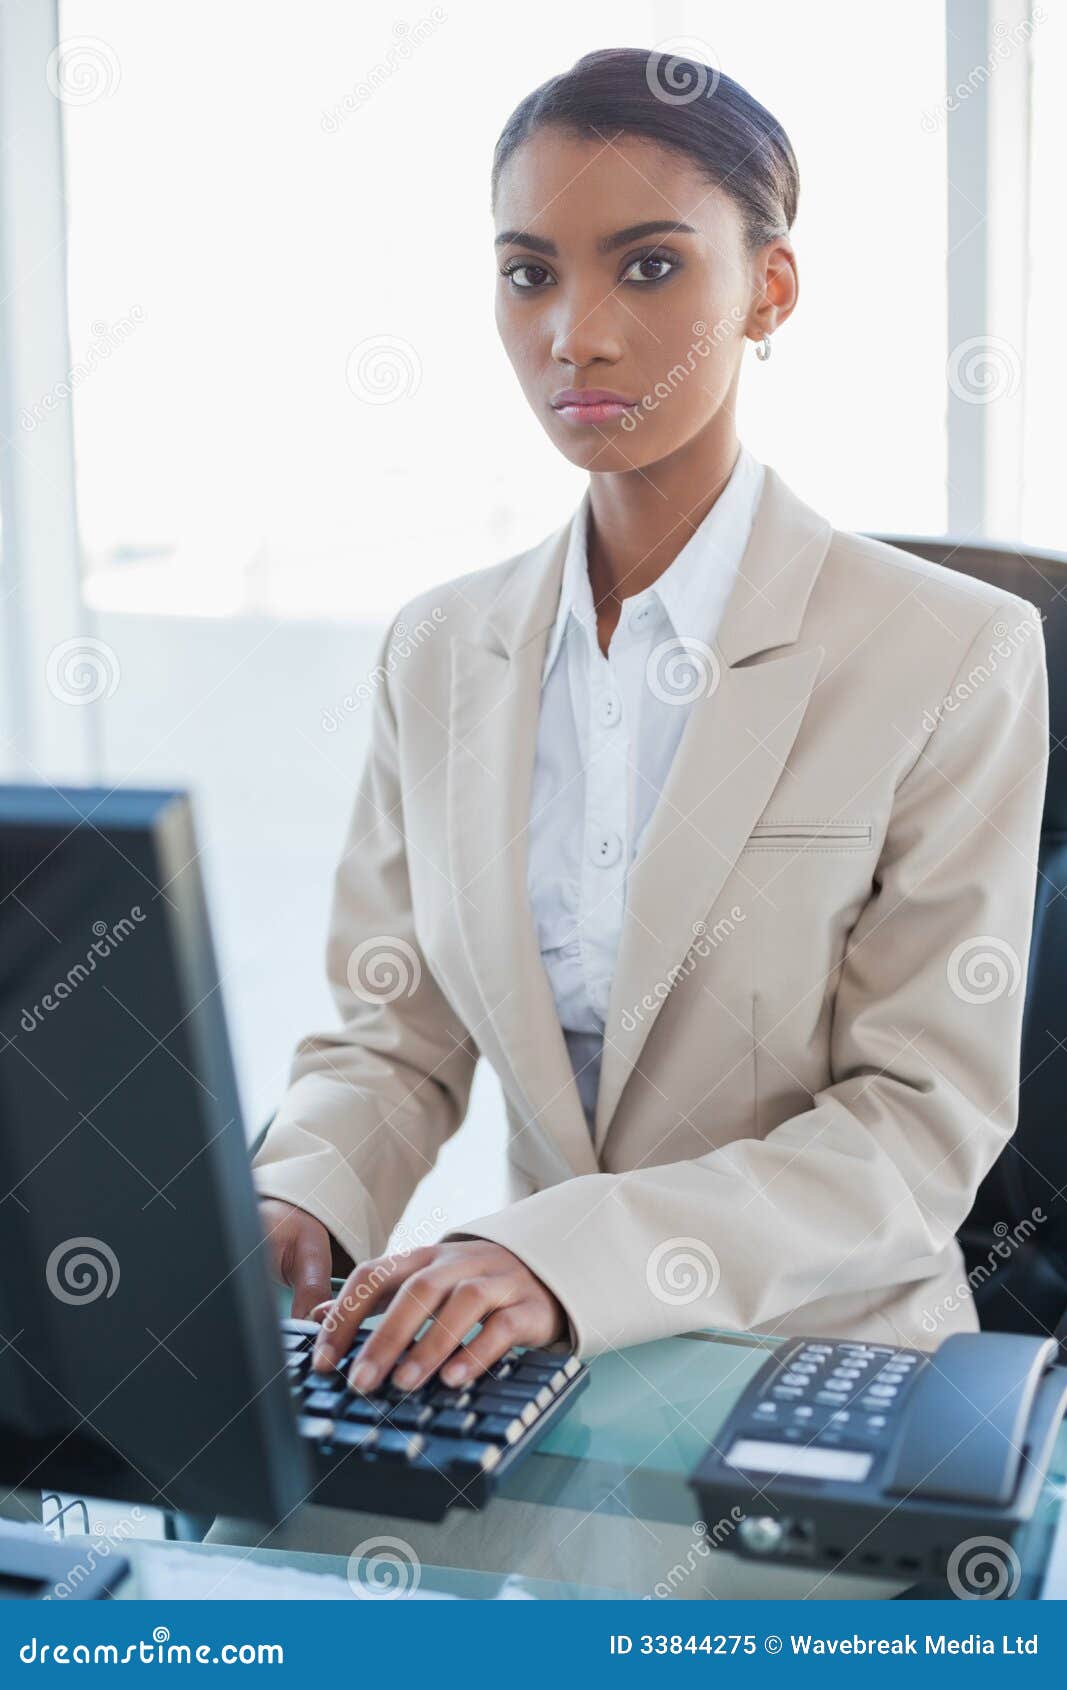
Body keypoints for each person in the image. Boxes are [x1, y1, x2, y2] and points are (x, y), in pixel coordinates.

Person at [252, 48, 1048, 1399]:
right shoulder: (441, 649)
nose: (577, 333)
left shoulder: (954, 649)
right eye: (529, 273)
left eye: (648, 265)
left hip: (819, 1368)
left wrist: (558, 1256)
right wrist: (293, 1201)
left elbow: (917, 1127)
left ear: (771, 288)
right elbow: (394, 1032)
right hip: (521, 1379)